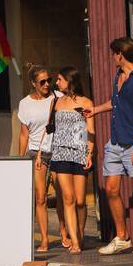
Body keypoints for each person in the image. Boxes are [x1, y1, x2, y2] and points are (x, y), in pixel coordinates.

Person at [84, 37, 133, 255]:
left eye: (113, 53)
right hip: (115, 143)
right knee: (111, 189)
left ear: (120, 54)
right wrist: (96, 110)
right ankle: (122, 236)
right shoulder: (119, 76)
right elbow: (115, 103)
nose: (112, 57)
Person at [40, 67, 95, 254]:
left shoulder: (86, 102)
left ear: (70, 81)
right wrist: (41, 152)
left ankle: (79, 234)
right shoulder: (55, 102)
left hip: (79, 153)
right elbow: (49, 128)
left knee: (80, 201)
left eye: (60, 79)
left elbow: (91, 132)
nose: (56, 83)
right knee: (68, 198)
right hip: (60, 153)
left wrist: (90, 154)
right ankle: (75, 243)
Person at [17, 64, 58, 251]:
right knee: (40, 198)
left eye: (49, 80)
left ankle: (66, 233)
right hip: (36, 154)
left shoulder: (58, 98)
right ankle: (44, 239)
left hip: (57, 152)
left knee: (65, 197)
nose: (47, 84)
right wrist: (20, 159)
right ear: (33, 83)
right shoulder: (25, 103)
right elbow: (23, 134)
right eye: (42, 81)